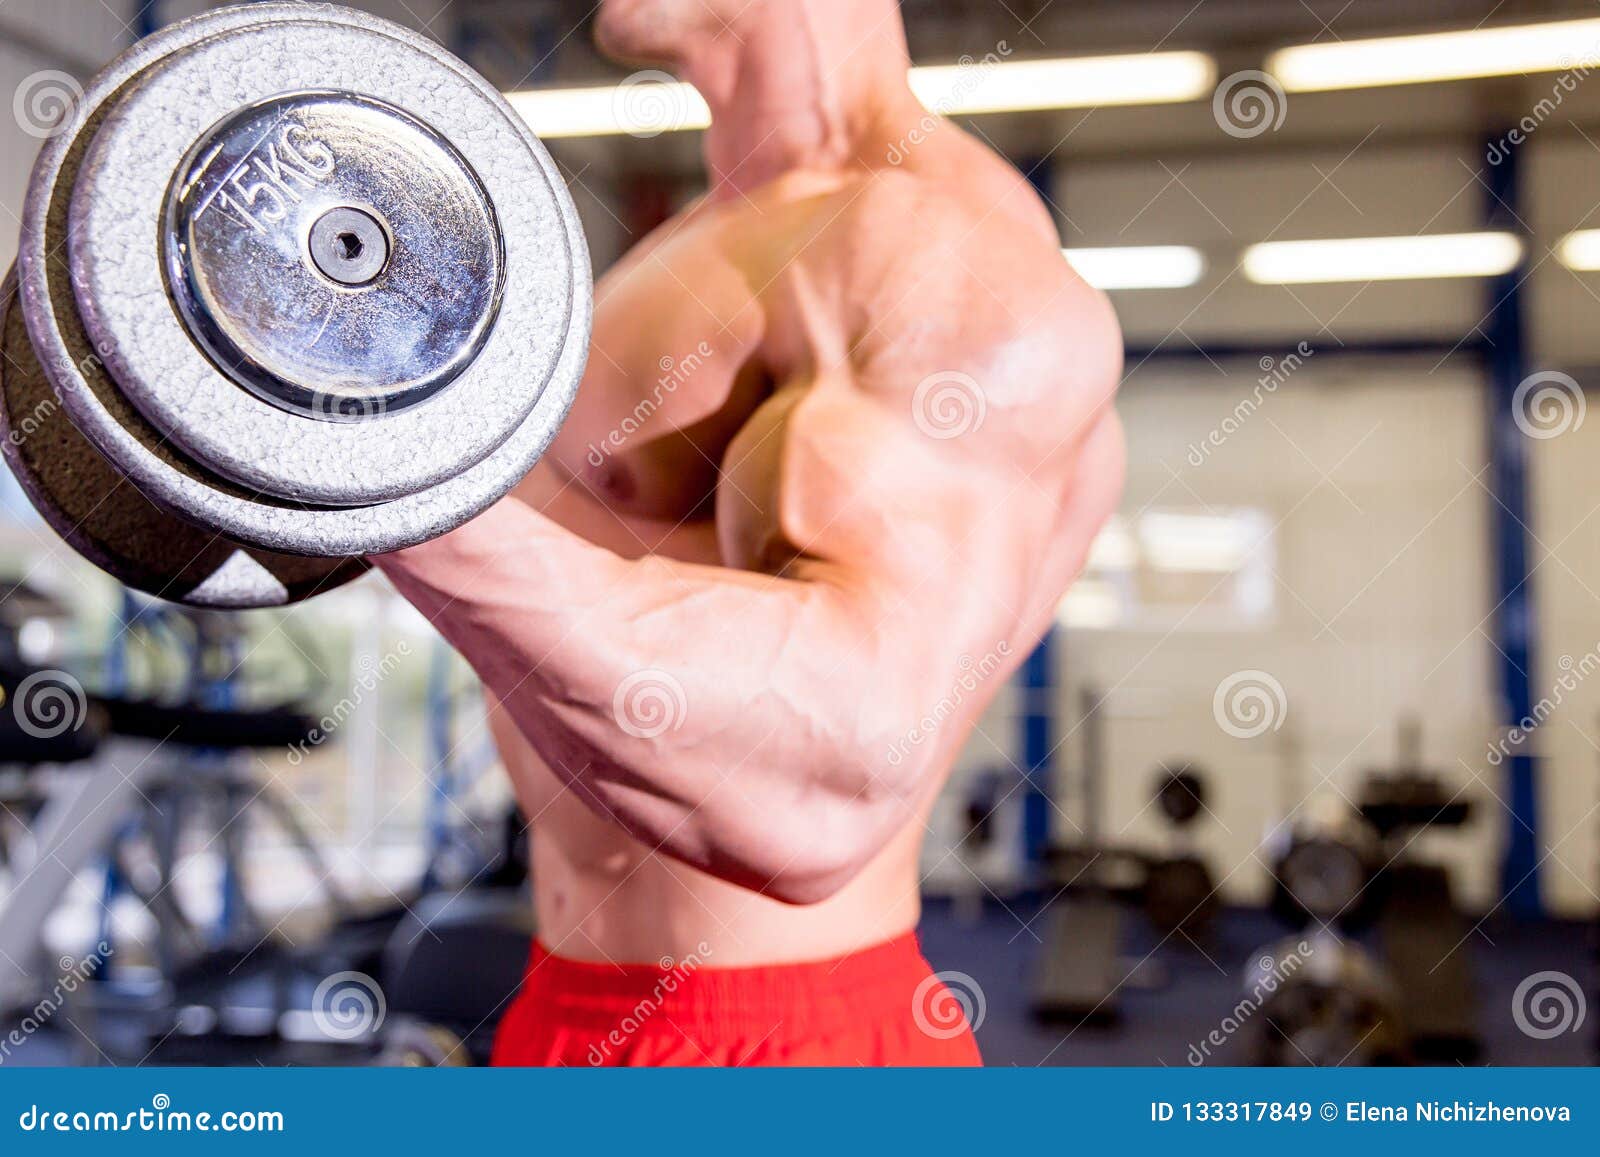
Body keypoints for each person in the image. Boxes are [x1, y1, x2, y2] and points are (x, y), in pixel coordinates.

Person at [376, 0, 1124, 1067]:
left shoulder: (935, 251)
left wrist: (376, 497)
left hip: (786, 1042)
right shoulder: (685, 249)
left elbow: (845, 757)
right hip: (558, 1006)